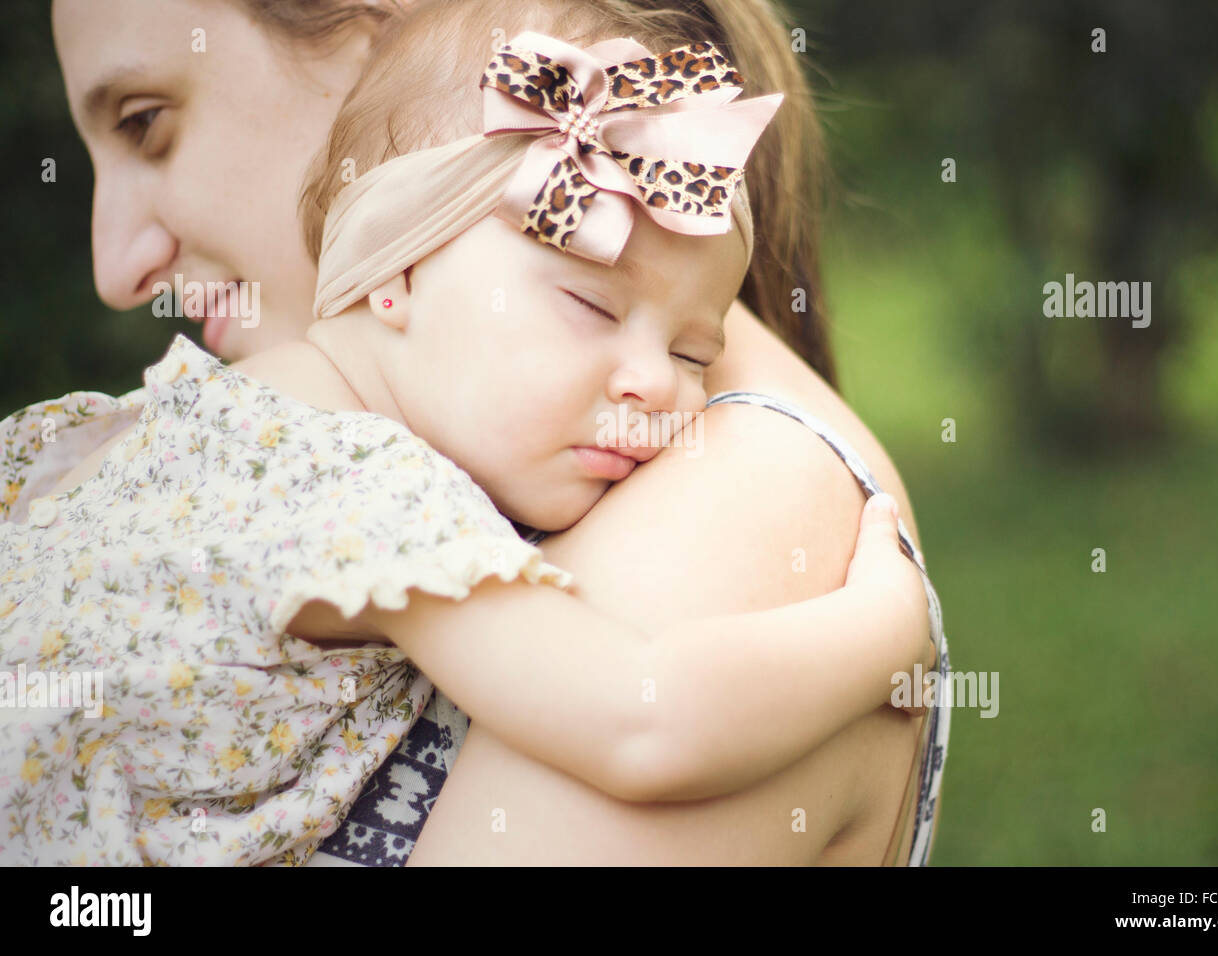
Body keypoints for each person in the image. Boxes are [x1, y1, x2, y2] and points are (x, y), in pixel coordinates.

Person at [51, 0, 951, 865]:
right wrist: (887, 628)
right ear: (397, 274)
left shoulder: (738, 502)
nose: (113, 268)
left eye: (146, 123)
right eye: (588, 303)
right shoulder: (342, 467)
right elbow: (642, 719)